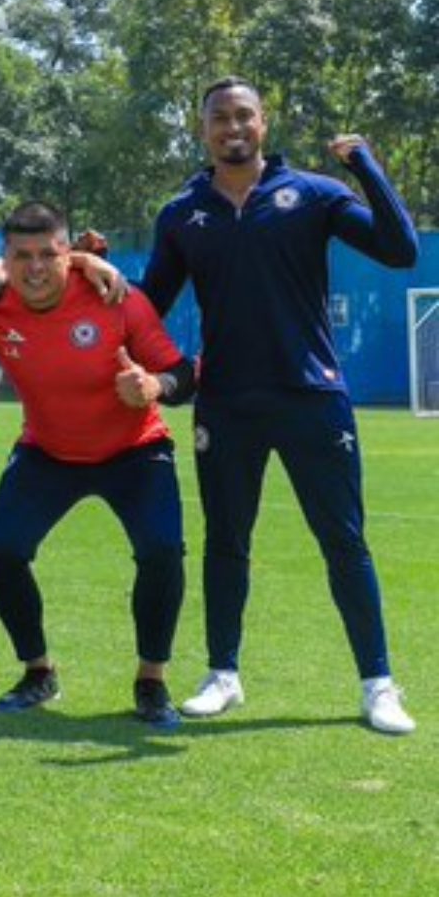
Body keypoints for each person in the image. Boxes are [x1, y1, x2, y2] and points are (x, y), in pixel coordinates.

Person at [140, 77, 421, 735]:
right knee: (225, 542)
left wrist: (365, 165)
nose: (232, 127)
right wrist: (96, 273)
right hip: (226, 402)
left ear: (263, 123)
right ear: (203, 130)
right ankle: (223, 675)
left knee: (344, 542)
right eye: (219, 118)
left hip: (311, 397)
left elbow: (401, 250)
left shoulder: (314, 195)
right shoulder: (182, 214)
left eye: (244, 115)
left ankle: (378, 685)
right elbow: (148, 304)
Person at [0, 201, 195, 728]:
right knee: (1, 550)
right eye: (21, 256)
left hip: (135, 449)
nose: (35, 268)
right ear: (4, 259)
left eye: (48, 254)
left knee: (162, 550)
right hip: (48, 452)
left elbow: (183, 374)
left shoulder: (116, 296)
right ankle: (38, 671)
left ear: (66, 254)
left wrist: (153, 385)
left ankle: (151, 681)